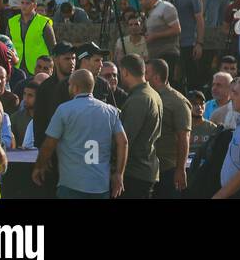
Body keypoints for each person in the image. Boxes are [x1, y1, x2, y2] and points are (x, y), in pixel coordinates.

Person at [32, 69, 127, 199]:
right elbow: (123, 142)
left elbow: (49, 144)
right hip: (100, 185)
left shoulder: (64, 110)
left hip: (72, 184)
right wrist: (119, 174)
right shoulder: (110, 111)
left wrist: (39, 166)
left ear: (75, 87)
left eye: (70, 85)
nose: (68, 88)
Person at [117, 54, 163, 199]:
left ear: (125, 72)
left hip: (135, 173)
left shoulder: (139, 98)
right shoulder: (152, 94)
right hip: (145, 170)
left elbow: (125, 139)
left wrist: (115, 170)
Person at [145, 58, 191, 199]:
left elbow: (184, 137)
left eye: (146, 73)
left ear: (156, 77)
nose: (143, 76)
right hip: (150, 168)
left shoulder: (178, 102)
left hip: (168, 169)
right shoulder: (147, 97)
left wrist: (180, 169)